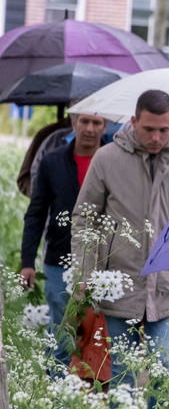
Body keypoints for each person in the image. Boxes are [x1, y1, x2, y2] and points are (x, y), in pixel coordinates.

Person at [70, 90, 169, 381]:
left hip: (168, 284)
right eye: (149, 129)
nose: (157, 137)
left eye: (164, 130)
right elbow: (84, 219)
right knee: (122, 370)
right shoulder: (107, 158)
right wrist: (87, 273)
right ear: (133, 121)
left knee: (165, 368)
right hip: (119, 283)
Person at [19, 110, 108, 361]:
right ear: (73, 123)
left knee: (98, 342)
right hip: (58, 260)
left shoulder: (114, 162)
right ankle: (56, 393)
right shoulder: (52, 161)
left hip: (103, 265)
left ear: (105, 126)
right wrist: (28, 262)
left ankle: (90, 397)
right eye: (85, 121)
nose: (90, 128)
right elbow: (35, 214)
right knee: (60, 337)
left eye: (97, 122)